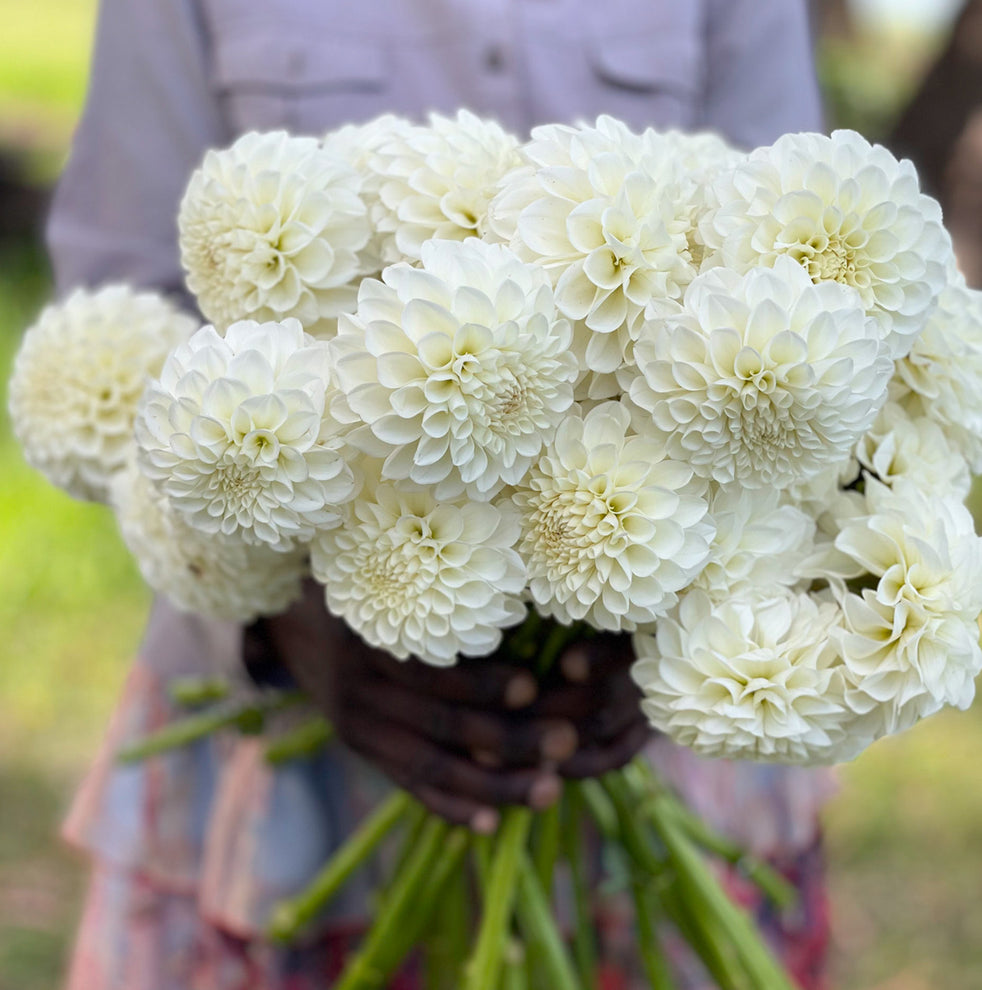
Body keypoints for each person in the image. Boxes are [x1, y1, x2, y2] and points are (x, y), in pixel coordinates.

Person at [49, 2, 832, 987]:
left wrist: (663, 630)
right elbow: (126, 320)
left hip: (659, 687)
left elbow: (796, 283)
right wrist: (284, 609)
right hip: (295, 718)